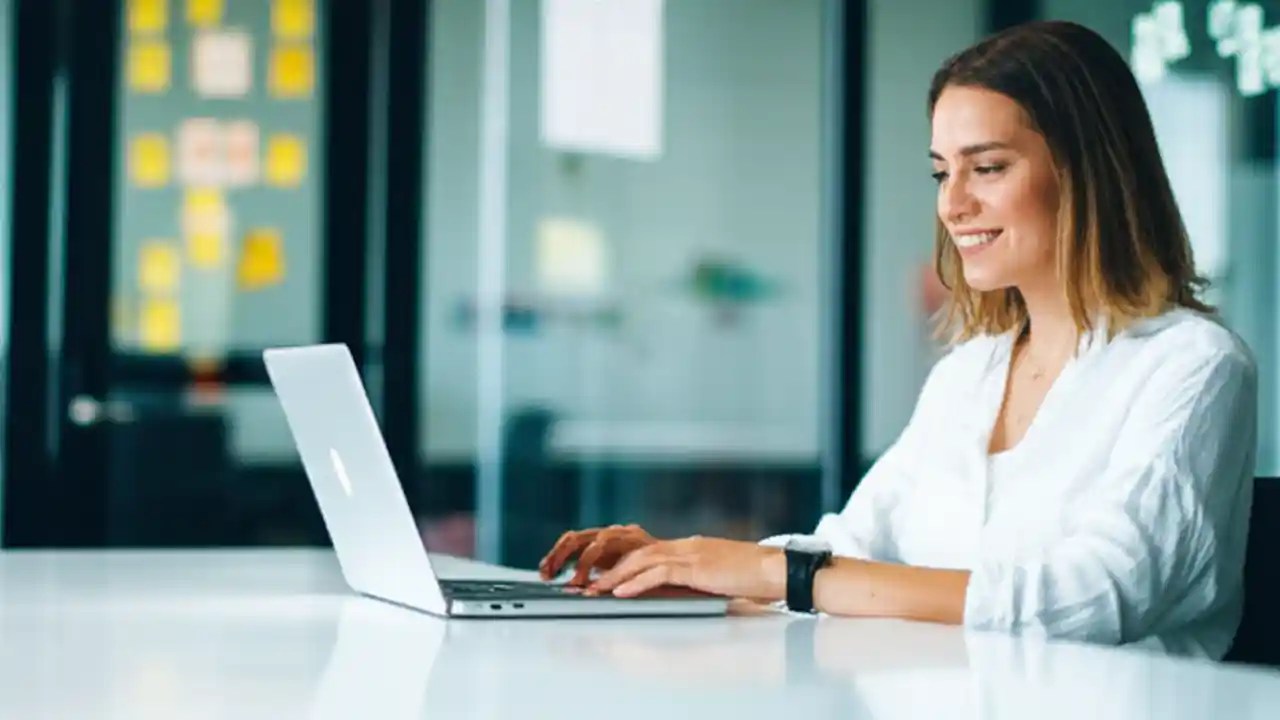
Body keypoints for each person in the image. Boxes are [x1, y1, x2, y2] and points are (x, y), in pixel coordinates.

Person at [538, 20, 1257, 659]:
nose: (953, 203)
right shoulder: (968, 374)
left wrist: (769, 575)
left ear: (1090, 172)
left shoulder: (1192, 366)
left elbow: (1088, 602)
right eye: (943, 172)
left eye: (989, 167)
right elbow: (850, 551)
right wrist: (684, 568)